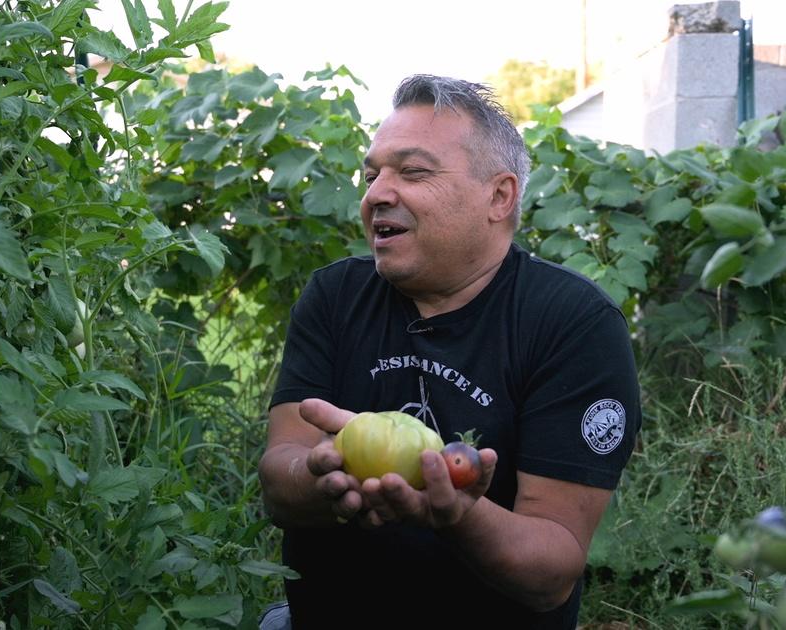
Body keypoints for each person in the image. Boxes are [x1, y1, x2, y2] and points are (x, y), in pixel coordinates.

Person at [257, 74, 641, 629]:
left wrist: (458, 515)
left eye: (412, 171)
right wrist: (322, 474)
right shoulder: (335, 296)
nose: (376, 194)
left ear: (499, 196)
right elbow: (278, 481)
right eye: (371, 175)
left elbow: (551, 571)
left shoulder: (573, 325)